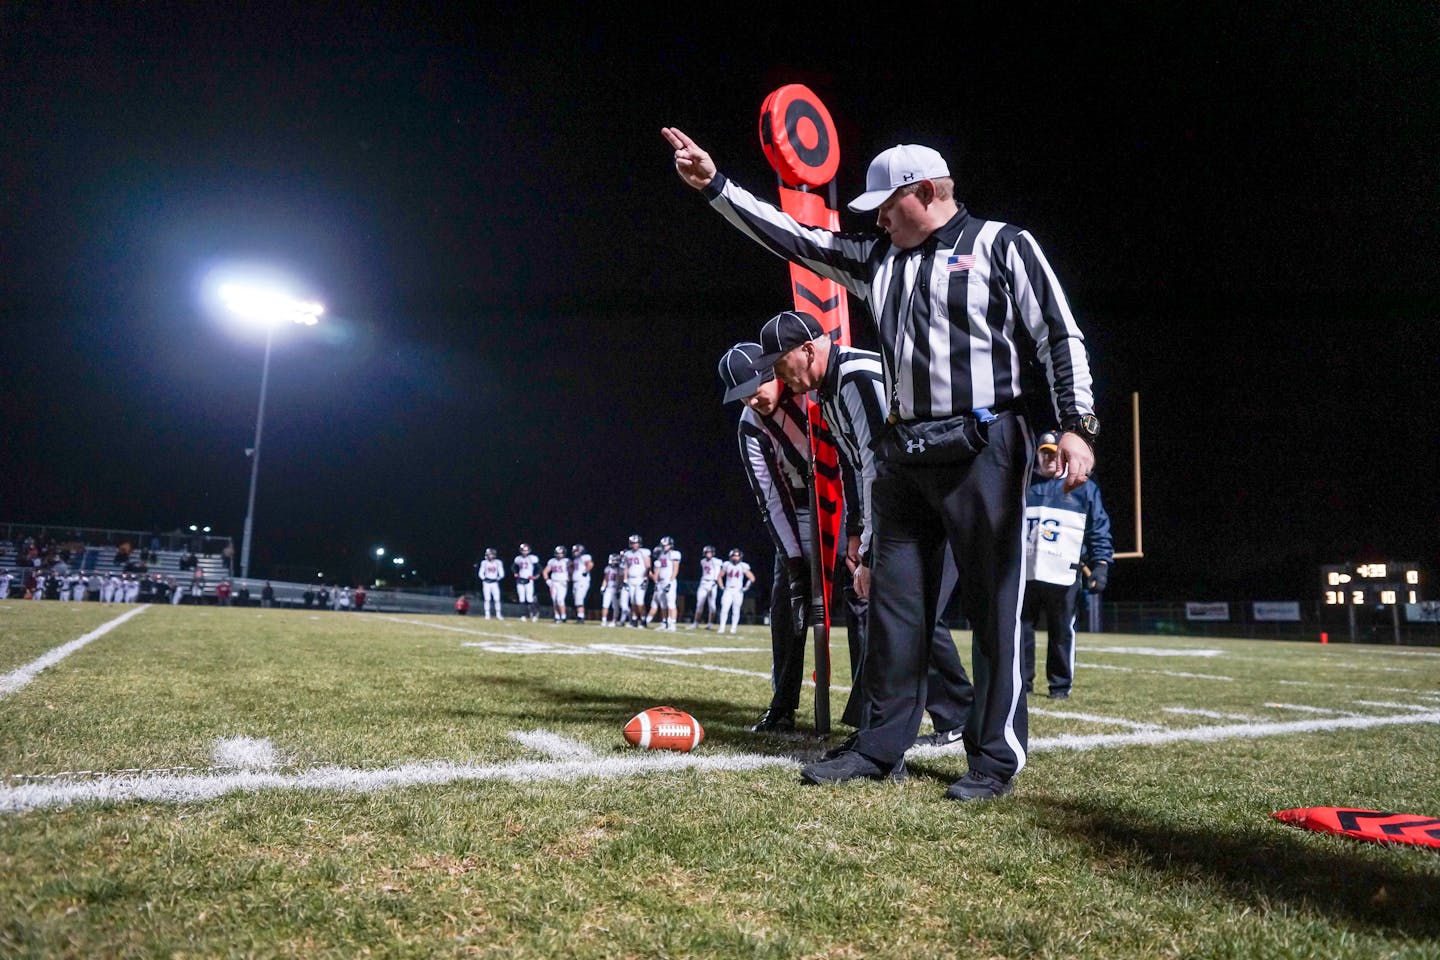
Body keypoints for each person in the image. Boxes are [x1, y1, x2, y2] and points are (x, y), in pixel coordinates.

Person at [667, 128, 1096, 800]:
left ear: (926, 193)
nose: (876, 217)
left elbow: (1058, 334)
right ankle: (880, 747)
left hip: (985, 446)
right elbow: (792, 237)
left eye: (887, 205)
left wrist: (1077, 425)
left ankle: (992, 759)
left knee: (994, 608)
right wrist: (718, 187)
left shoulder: (1004, 246)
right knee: (895, 610)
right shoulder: (875, 260)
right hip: (905, 454)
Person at [757, 309, 975, 740]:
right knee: (908, 611)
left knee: (909, 610)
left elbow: (882, 465)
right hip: (911, 503)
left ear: (807, 349)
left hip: (942, 500)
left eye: (783, 364)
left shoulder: (857, 377)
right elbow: (851, 464)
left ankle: (941, 718)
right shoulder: (827, 391)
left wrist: (874, 550)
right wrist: (857, 531)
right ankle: (949, 716)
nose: (783, 376)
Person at [717, 341, 815, 734]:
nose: (753, 399)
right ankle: (782, 705)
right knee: (785, 608)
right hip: (798, 510)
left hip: (840, 504)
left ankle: (868, 713)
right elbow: (771, 499)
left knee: (865, 605)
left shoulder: (810, 392)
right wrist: (793, 564)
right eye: (742, 395)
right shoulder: (749, 425)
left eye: (755, 387)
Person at [1022, 431, 1113, 700]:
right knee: (1020, 631)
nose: (1050, 458)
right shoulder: (1023, 485)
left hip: (1064, 574)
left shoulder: (1084, 488)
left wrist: (1101, 564)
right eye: (1045, 452)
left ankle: (1059, 687)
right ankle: (1022, 684)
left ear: (1064, 455)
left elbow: (1099, 529)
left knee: (1061, 631)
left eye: (1055, 452)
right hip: (1025, 573)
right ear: (1037, 455)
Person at [718, 548, 755, 633]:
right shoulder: (727, 564)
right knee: (724, 609)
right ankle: (722, 627)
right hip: (728, 589)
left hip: (738, 591)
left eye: (737, 556)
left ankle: (733, 628)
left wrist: (746, 587)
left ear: (740, 557)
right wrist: (721, 586)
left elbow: (752, 578)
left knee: (736, 610)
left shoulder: (743, 566)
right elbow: (719, 576)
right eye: (733, 556)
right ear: (730, 557)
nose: (735, 558)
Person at [648, 537, 681, 631]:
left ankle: (672, 624)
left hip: (669, 581)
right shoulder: (661, 555)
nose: (664, 547)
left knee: (671, 604)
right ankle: (664, 622)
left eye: (666, 545)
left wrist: (670, 582)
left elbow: (675, 569)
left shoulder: (674, 554)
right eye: (663, 545)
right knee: (663, 604)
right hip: (661, 582)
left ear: (671, 545)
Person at [620, 534, 651, 628]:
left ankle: (643, 620)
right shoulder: (628, 554)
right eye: (633, 543)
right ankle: (634, 620)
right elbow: (626, 567)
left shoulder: (644, 552)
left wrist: (646, 578)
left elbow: (648, 566)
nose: (634, 545)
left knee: (639, 601)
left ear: (639, 543)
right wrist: (625, 579)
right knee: (632, 601)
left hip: (640, 579)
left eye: (636, 543)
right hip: (630, 579)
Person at [689, 545, 723, 629]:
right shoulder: (702, 561)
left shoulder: (716, 561)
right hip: (703, 583)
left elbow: (718, 572)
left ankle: (710, 624)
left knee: (712, 605)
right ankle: (696, 623)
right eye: (707, 552)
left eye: (710, 552)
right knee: (699, 604)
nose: (708, 554)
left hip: (712, 584)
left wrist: (715, 582)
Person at [513, 543, 541, 621]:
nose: (524, 552)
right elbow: (513, 567)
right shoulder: (518, 558)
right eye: (523, 550)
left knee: (529, 598)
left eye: (526, 550)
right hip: (520, 579)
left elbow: (539, 567)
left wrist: (536, 575)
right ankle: (523, 616)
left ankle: (534, 615)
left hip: (529, 580)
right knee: (521, 599)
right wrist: (515, 572)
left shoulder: (532, 558)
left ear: (529, 551)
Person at [478, 548, 506, 619]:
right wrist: (484, 579)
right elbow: (480, 573)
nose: (489, 556)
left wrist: (497, 578)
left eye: (491, 554)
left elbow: (502, 573)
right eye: (488, 554)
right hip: (486, 583)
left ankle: (498, 614)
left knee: (497, 599)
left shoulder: (498, 562)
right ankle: (487, 614)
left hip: (494, 583)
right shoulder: (484, 562)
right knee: (487, 599)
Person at [543, 546, 570, 623]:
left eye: (560, 553)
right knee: (554, 600)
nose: (559, 555)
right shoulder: (552, 561)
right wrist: (547, 580)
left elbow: (572, 570)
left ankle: (563, 616)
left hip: (562, 582)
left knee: (560, 600)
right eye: (557, 553)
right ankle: (557, 616)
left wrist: (570, 578)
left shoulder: (567, 561)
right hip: (554, 583)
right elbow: (545, 571)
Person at [570, 544, 594, 623]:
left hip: (582, 581)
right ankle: (579, 616)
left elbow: (590, 564)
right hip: (576, 581)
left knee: (579, 599)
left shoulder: (585, 557)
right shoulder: (576, 560)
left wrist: (585, 572)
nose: (574, 553)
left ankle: (581, 617)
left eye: (576, 551)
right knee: (577, 599)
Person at [599, 553, 624, 627]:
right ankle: (604, 620)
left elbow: (621, 580)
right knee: (605, 605)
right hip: (609, 588)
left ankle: (614, 620)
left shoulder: (620, 570)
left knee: (615, 607)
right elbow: (606, 579)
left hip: (616, 589)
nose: (613, 562)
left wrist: (619, 589)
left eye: (614, 561)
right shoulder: (608, 568)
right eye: (612, 560)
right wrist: (603, 587)